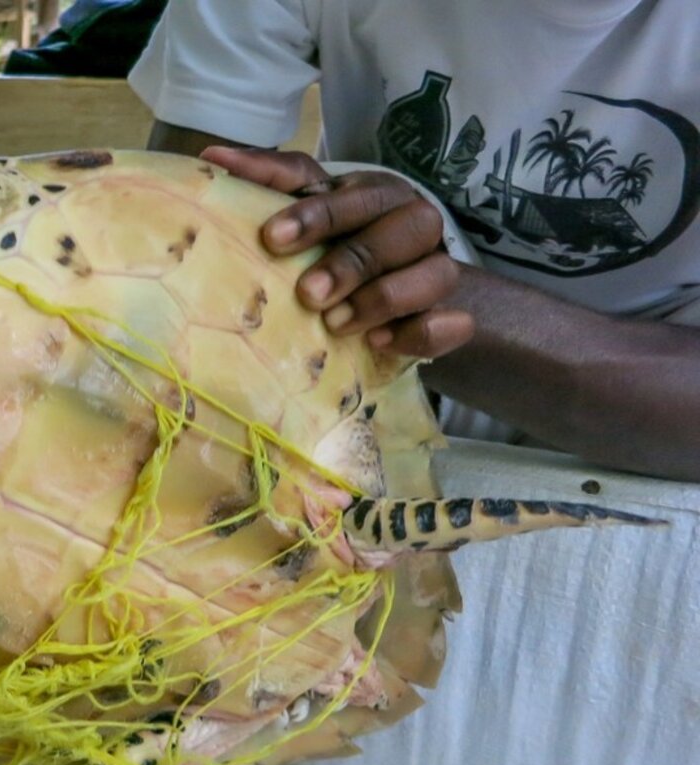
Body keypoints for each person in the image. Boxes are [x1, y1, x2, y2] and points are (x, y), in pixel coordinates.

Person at [127, 0, 700, 482]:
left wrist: (443, 302)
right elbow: (176, 268)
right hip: (367, 386)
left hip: (656, 393)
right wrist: (307, 239)